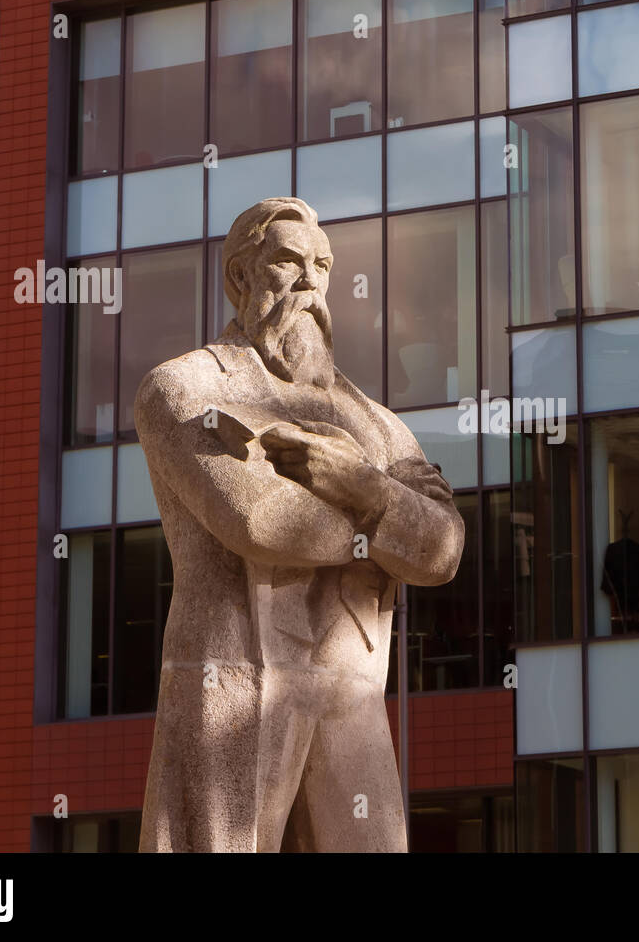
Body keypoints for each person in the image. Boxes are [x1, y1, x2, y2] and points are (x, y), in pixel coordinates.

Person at [135, 197, 464, 852]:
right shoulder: (184, 387)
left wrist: (356, 480)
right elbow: (262, 520)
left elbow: (442, 551)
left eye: (323, 265)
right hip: (232, 680)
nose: (312, 280)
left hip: (352, 694)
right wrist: (386, 522)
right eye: (289, 260)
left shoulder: (377, 423)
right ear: (240, 278)